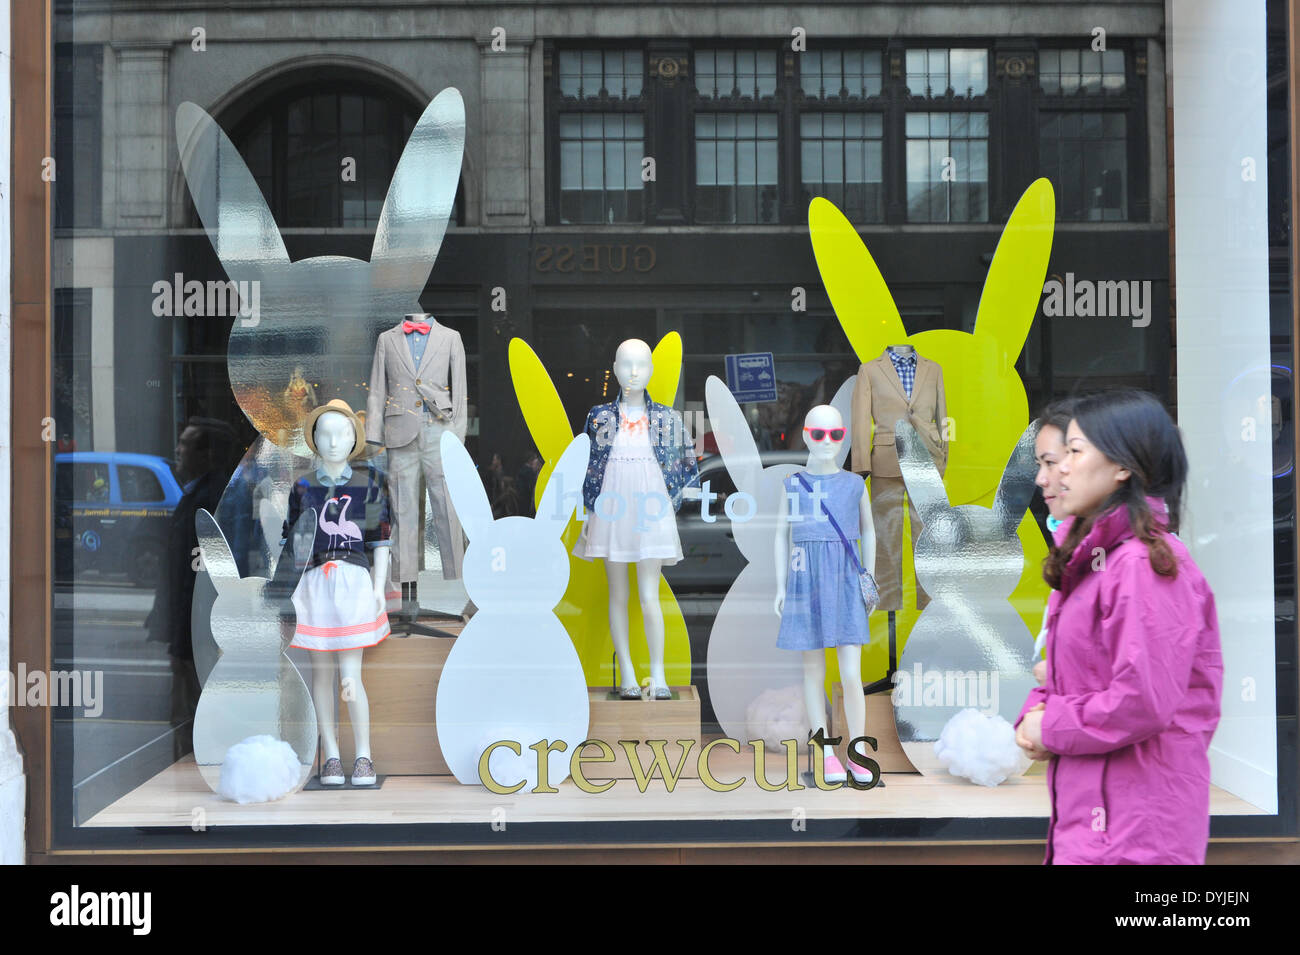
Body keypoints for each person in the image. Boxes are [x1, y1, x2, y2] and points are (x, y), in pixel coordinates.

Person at [1014, 389, 1223, 864]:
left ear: (1122, 466)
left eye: (1074, 451)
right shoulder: (1095, 560)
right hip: (1096, 820)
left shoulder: (1141, 564)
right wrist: (1036, 714)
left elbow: (1141, 700)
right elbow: (1072, 673)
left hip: (1136, 831)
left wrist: (1051, 727)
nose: (1059, 469)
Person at [1029, 397, 1078, 685]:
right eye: (1039, 464)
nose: (1040, 479)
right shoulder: (1077, 548)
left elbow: (1142, 695)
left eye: (1050, 463)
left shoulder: (1131, 558)